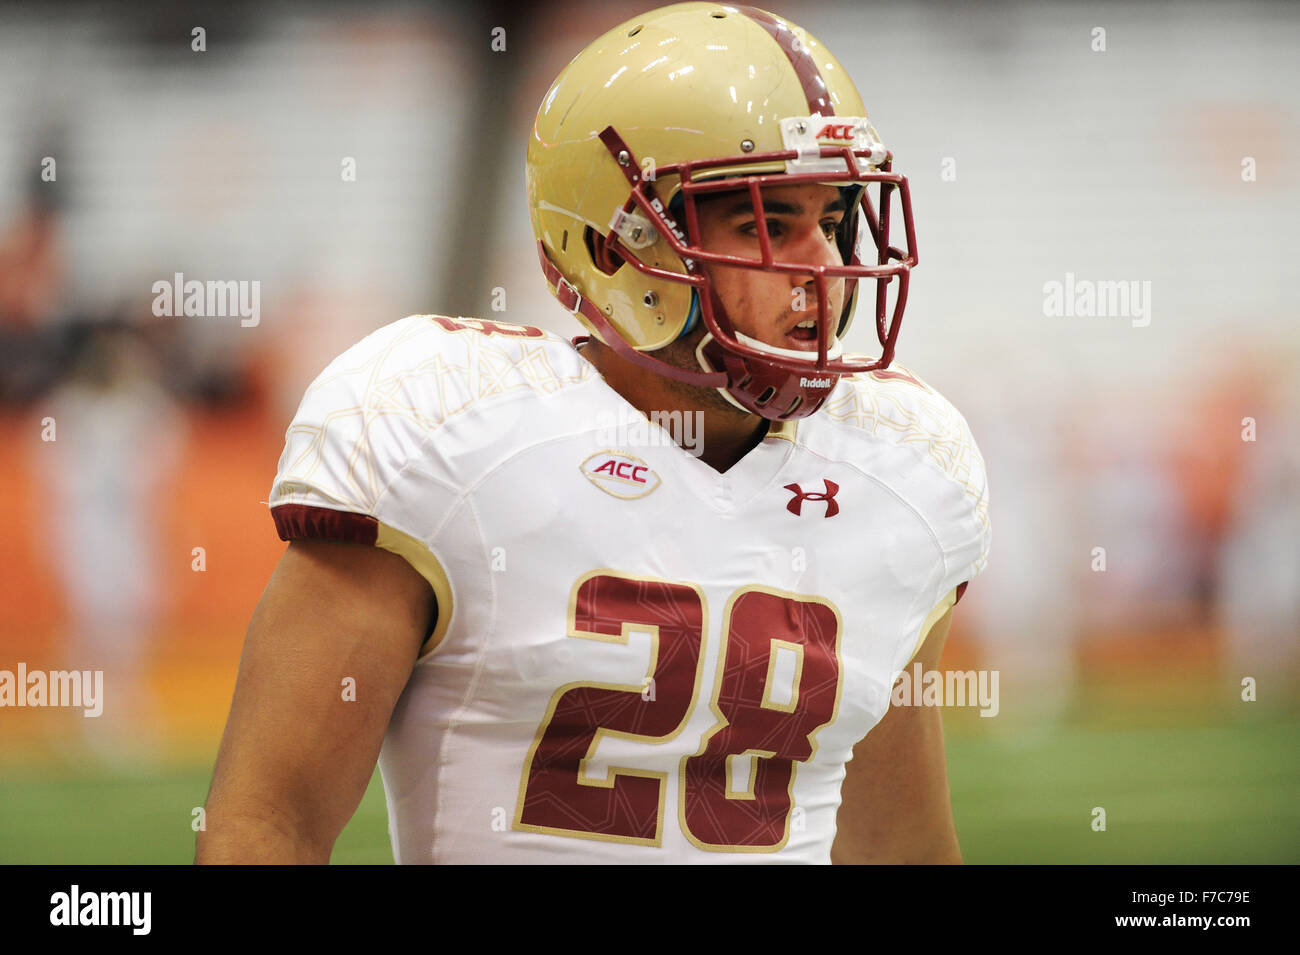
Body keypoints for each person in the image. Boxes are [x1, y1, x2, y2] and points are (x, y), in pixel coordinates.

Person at [198, 1, 990, 864]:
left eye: (831, 218)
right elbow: (265, 825)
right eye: (761, 221)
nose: (823, 269)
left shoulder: (902, 472)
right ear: (615, 247)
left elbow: (900, 850)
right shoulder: (454, 435)